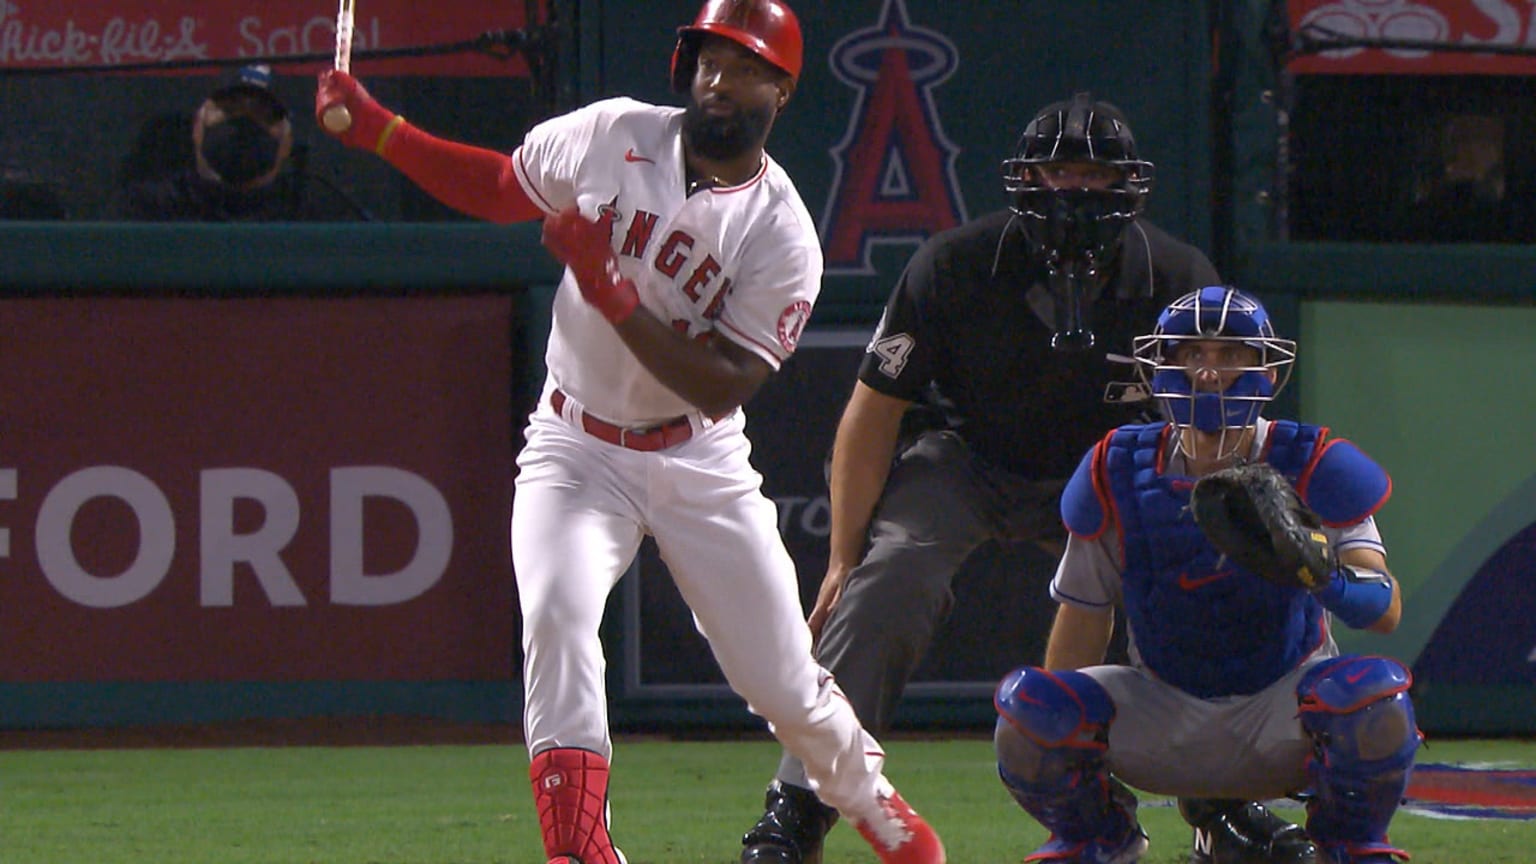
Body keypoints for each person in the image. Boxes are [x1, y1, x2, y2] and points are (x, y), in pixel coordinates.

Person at [313, 2, 946, 863]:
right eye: (711, 61)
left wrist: (611, 288)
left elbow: (724, 384)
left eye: (747, 67)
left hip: (697, 457)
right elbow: (502, 188)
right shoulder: (613, 133)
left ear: (782, 90)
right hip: (574, 442)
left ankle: (873, 804)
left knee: (784, 686)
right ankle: (578, 846)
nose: (721, 81)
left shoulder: (781, 231)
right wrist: (381, 133)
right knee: (557, 614)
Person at [737, 93, 1307, 864]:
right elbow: (872, 413)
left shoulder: (1175, 275)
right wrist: (844, 555)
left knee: (1189, 583)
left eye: (1094, 175)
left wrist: (1201, 529)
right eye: (1058, 171)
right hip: (968, 460)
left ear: (1129, 186)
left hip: (1113, 468)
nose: (1073, 191)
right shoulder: (954, 264)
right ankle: (801, 802)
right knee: (889, 580)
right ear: (1024, 178)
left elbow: (1214, 417)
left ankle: (1221, 805)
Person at [990, 285, 1421, 864]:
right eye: (1190, 353)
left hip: (1281, 706)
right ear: (1161, 366)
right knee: (1026, 709)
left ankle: (1347, 846)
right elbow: (1083, 615)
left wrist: (1322, 573)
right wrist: (1056, 733)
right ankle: (1098, 839)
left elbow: (1385, 608)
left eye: (1231, 353)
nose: (1208, 372)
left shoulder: (1312, 460)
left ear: (1266, 371)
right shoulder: (1115, 466)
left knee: (1374, 698)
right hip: (1163, 706)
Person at [118, 64, 367, 221]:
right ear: (197, 126)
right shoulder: (149, 211)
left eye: (262, 115)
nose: (243, 124)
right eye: (229, 110)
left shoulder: (314, 214)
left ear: (287, 142)